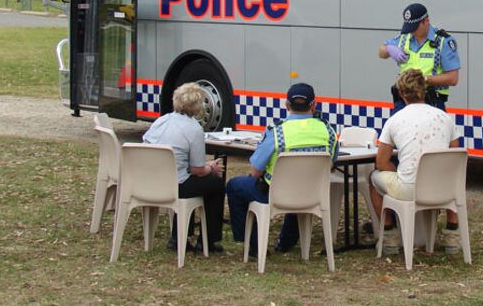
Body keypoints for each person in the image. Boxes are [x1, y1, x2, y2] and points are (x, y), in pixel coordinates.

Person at [225, 83, 338, 256]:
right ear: (314, 105)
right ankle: (286, 241)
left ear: (286, 105)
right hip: (312, 193)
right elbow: (331, 162)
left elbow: (255, 172)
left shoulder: (276, 132)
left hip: (275, 194)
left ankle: (252, 243)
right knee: (298, 184)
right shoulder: (329, 131)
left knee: (235, 185)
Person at [369, 69, 462, 255]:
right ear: (425, 90)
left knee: (374, 177)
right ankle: (452, 233)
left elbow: (381, 162)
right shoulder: (445, 118)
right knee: (454, 180)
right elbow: (455, 155)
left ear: (402, 93)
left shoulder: (395, 120)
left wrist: (396, 173)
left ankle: (389, 235)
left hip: (409, 189)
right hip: (443, 188)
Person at [142, 82, 226, 253]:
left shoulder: (161, 120)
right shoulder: (193, 128)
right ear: (198, 106)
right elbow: (197, 170)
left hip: (149, 180)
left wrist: (203, 167)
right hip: (175, 184)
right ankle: (207, 240)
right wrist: (211, 168)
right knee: (215, 184)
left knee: (193, 180)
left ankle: (177, 237)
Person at [379, 2, 461, 113]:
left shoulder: (443, 41)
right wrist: (388, 48)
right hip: (403, 102)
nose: (411, 32)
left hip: (431, 102)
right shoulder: (404, 37)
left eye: (414, 27)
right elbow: (381, 53)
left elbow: (453, 78)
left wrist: (423, 80)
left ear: (426, 21)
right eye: (409, 27)